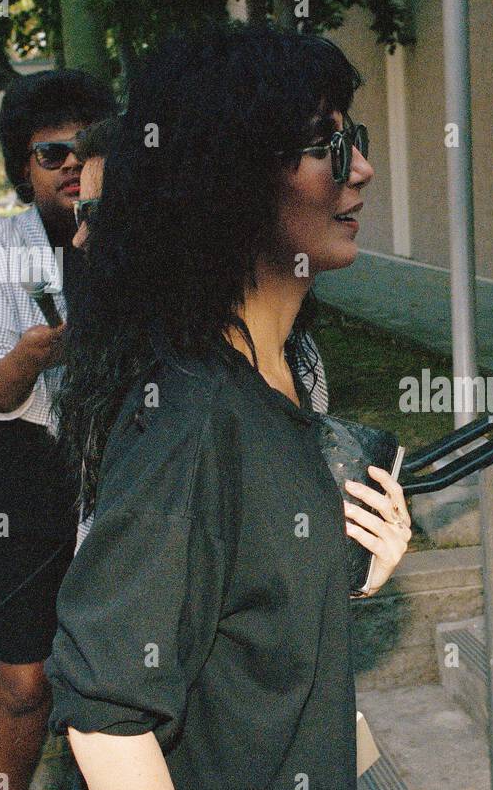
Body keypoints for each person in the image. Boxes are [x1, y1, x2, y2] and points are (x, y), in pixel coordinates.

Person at [47, 21, 411, 790]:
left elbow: (236, 586)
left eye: (355, 139)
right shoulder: (192, 410)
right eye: (327, 145)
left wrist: (345, 564)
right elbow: (106, 716)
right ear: (232, 180)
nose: (361, 168)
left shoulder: (286, 368)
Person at [0, 69, 116, 790]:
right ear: (23, 167)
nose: (71, 163)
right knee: (25, 678)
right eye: (51, 153)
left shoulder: (139, 237)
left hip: (122, 467)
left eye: (86, 146)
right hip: (21, 474)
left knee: (118, 662)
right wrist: (29, 356)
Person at [63, 117, 331, 555]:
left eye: (96, 214)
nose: (79, 238)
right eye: (80, 213)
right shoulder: (140, 374)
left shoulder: (296, 357)